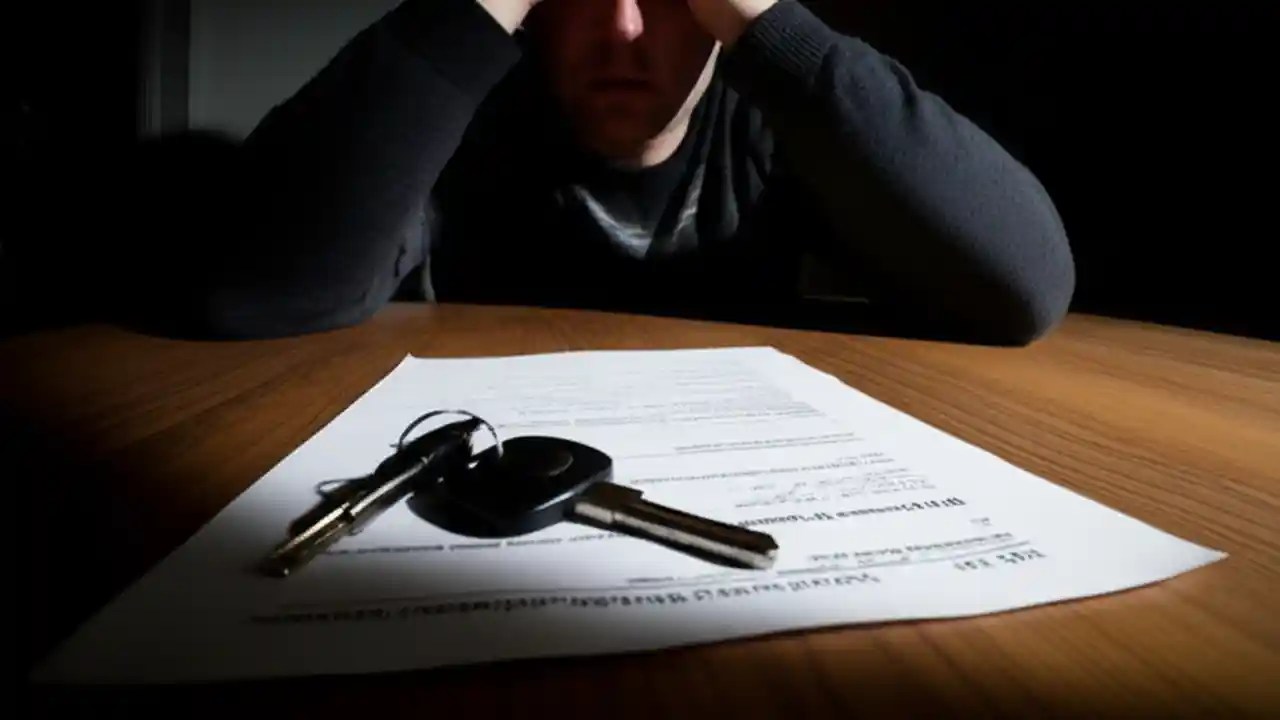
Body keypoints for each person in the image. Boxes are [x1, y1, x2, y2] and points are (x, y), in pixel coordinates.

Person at [205, 0, 1075, 344]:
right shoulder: (460, 134)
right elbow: (250, 283)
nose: (623, 29)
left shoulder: (777, 131)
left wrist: (773, 23)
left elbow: (1024, 286)